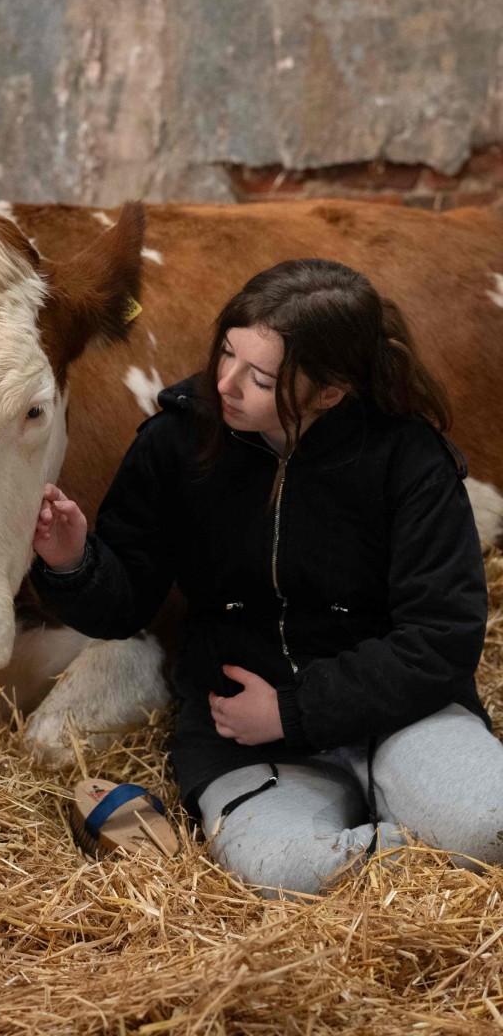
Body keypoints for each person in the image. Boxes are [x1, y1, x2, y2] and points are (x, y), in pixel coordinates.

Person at [29, 258, 503, 897]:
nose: (224, 383)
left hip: (405, 719)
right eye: (225, 354)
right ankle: (411, 840)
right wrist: (73, 561)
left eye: (258, 376)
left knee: (495, 827)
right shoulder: (175, 443)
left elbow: (442, 637)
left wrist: (295, 708)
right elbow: (125, 607)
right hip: (245, 740)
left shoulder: (410, 459)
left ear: (330, 392)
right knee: (286, 872)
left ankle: (419, 823)